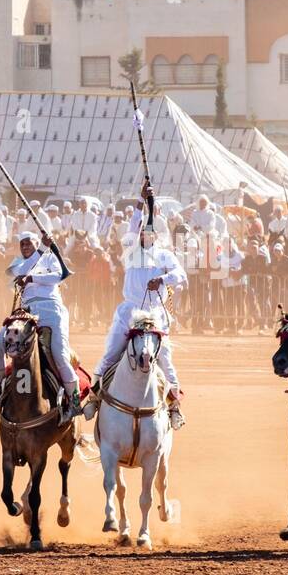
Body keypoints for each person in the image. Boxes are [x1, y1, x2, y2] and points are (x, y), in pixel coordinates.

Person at [86, 182, 188, 428]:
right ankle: (93, 397)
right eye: (143, 231)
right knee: (111, 353)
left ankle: (175, 406)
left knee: (164, 359)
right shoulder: (131, 250)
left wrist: (162, 279)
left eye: (149, 232)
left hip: (154, 314)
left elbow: (181, 276)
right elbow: (133, 224)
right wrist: (142, 203)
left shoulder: (165, 255)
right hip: (129, 312)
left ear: (156, 235)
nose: (145, 235)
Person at [0, 231, 80, 415]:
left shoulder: (50, 258)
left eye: (28, 243)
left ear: (36, 242)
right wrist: (40, 250)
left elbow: (58, 276)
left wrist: (33, 278)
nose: (24, 247)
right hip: (25, 312)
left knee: (60, 355)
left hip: (52, 310)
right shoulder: (17, 263)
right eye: (22, 244)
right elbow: (22, 272)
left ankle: (74, 402)